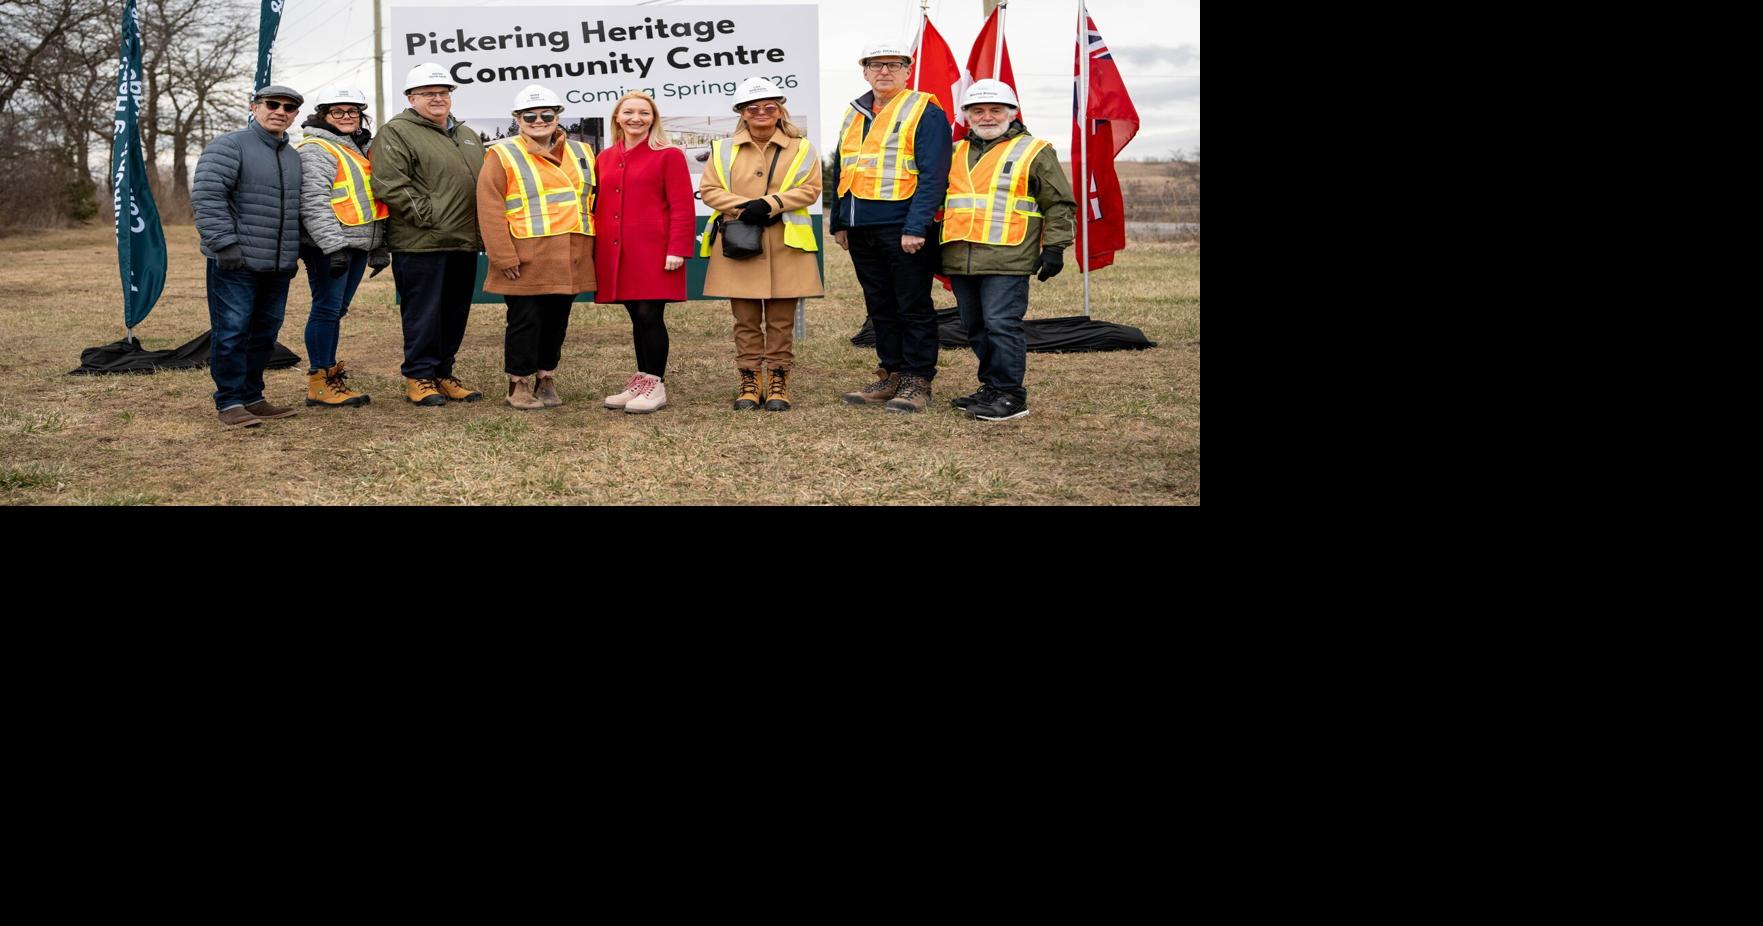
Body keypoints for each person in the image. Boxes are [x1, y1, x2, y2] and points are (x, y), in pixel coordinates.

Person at [939, 80, 1075, 422]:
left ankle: (1012, 395)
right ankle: (991, 387)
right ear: (967, 116)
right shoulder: (952, 152)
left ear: (1012, 113)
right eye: (978, 111)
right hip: (960, 256)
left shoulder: (1034, 150)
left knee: (1001, 324)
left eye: (995, 110)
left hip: (1009, 256)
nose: (987, 117)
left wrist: (1055, 247)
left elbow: (1059, 203)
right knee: (975, 326)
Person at [830, 42, 952, 413]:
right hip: (861, 227)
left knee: (912, 304)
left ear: (907, 71)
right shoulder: (854, 113)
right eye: (875, 65)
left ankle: (918, 379)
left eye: (893, 65)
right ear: (864, 71)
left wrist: (916, 226)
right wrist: (840, 221)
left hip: (903, 227)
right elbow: (844, 169)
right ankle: (892, 374)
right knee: (879, 304)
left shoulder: (924, 111)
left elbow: (934, 176)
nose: (884, 71)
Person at [698, 77, 823, 412]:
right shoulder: (722, 149)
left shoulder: (802, 148)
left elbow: (810, 189)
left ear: (780, 110)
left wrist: (771, 204)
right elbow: (710, 190)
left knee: (782, 322)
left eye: (770, 106)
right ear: (742, 112)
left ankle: (779, 381)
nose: (762, 112)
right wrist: (745, 208)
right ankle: (750, 380)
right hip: (740, 245)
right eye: (753, 108)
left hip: (787, 245)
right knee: (746, 321)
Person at [371, 62, 487, 406]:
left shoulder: (465, 134)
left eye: (443, 92)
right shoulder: (397, 132)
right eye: (428, 93)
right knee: (423, 313)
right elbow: (390, 184)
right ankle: (419, 376)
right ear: (411, 97)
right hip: (422, 242)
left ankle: (443, 373)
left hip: (464, 240)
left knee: (454, 312)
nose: (438, 98)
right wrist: (432, 217)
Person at [192, 84, 305, 429]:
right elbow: (207, 195)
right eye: (273, 104)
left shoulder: (293, 156)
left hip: (278, 264)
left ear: (295, 115)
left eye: (289, 108)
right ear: (254, 107)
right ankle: (229, 401)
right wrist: (224, 244)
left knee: (265, 334)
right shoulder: (230, 145)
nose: (280, 111)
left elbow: (297, 211)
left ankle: (253, 396)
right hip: (235, 261)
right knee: (231, 331)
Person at [476, 85, 597, 410]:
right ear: (517, 119)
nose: (539, 120)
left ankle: (546, 376)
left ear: (558, 116)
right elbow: (489, 207)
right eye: (530, 116)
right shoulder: (502, 154)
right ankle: (518, 383)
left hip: (571, 253)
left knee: (558, 319)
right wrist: (502, 255)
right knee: (525, 320)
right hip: (525, 256)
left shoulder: (583, 152)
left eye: (547, 114)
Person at [593, 91, 694, 414]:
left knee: (651, 316)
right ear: (617, 118)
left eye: (644, 113)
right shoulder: (604, 157)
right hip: (617, 253)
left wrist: (677, 248)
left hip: (655, 251)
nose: (636, 118)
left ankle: (656, 385)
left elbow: (682, 206)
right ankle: (642, 380)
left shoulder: (669, 155)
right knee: (637, 317)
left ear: (653, 119)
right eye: (629, 112)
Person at [295, 86, 388, 408]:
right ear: (324, 116)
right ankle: (319, 382)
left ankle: (328, 373)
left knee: (337, 310)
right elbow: (313, 202)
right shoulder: (317, 148)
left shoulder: (358, 148)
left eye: (353, 111)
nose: (347, 117)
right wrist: (332, 247)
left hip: (358, 243)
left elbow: (371, 199)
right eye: (338, 112)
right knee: (326, 309)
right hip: (331, 245)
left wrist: (378, 245)